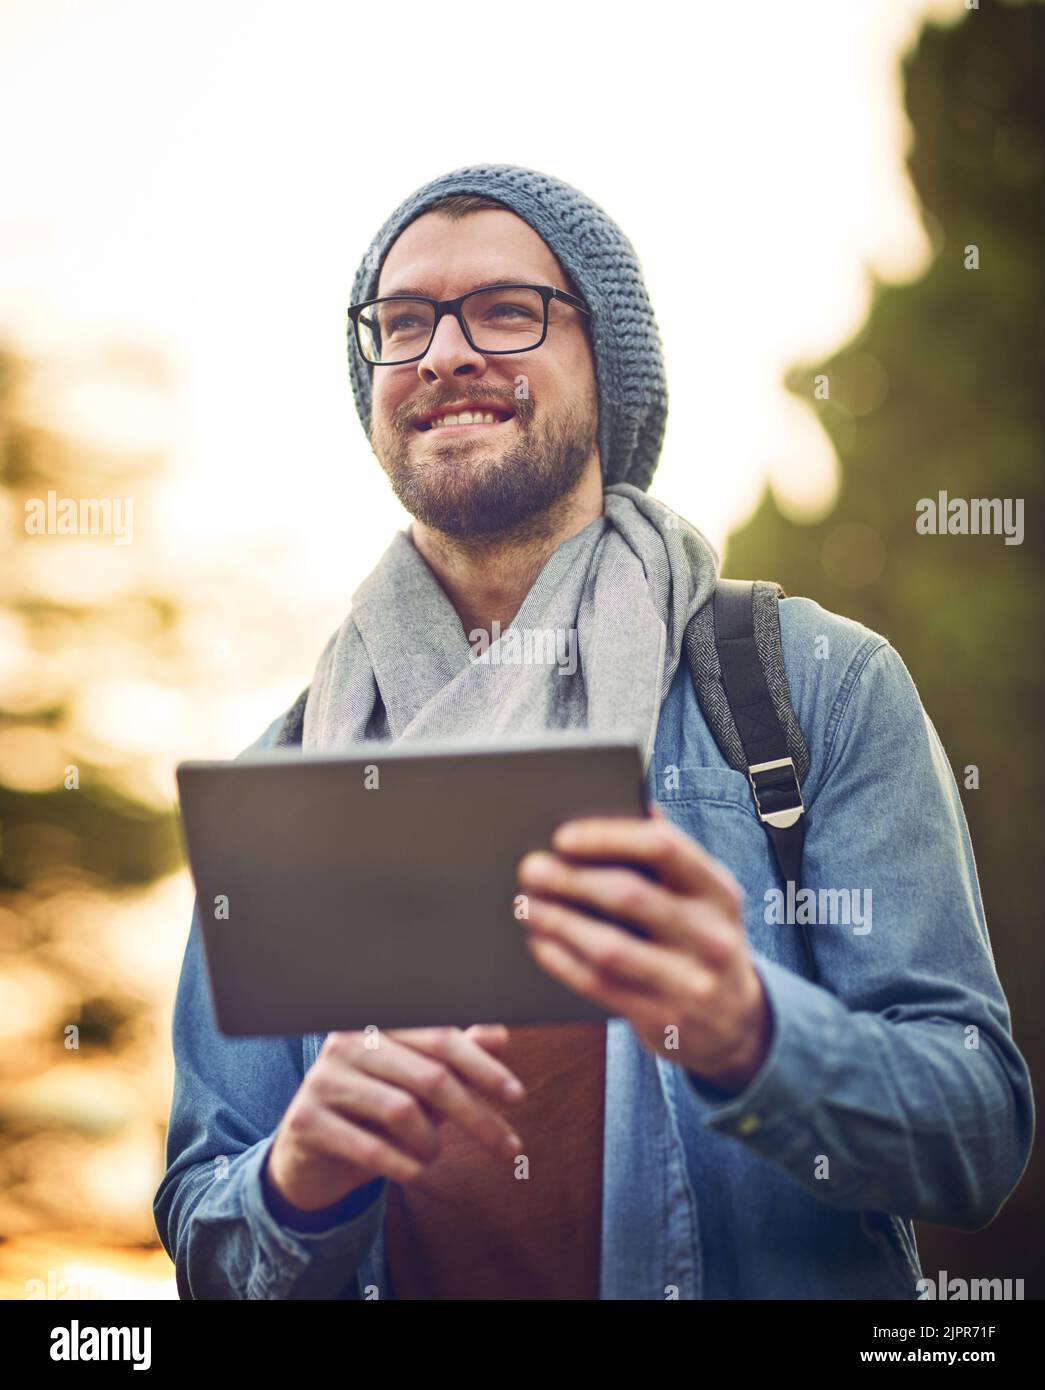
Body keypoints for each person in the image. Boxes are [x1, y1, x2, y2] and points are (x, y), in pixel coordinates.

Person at [154, 163, 1034, 1300]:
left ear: (607, 364)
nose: (443, 353)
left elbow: (978, 1138)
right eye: (402, 321)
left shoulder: (805, 687)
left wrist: (753, 1034)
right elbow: (203, 1226)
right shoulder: (286, 770)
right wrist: (294, 1179)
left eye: (507, 310)